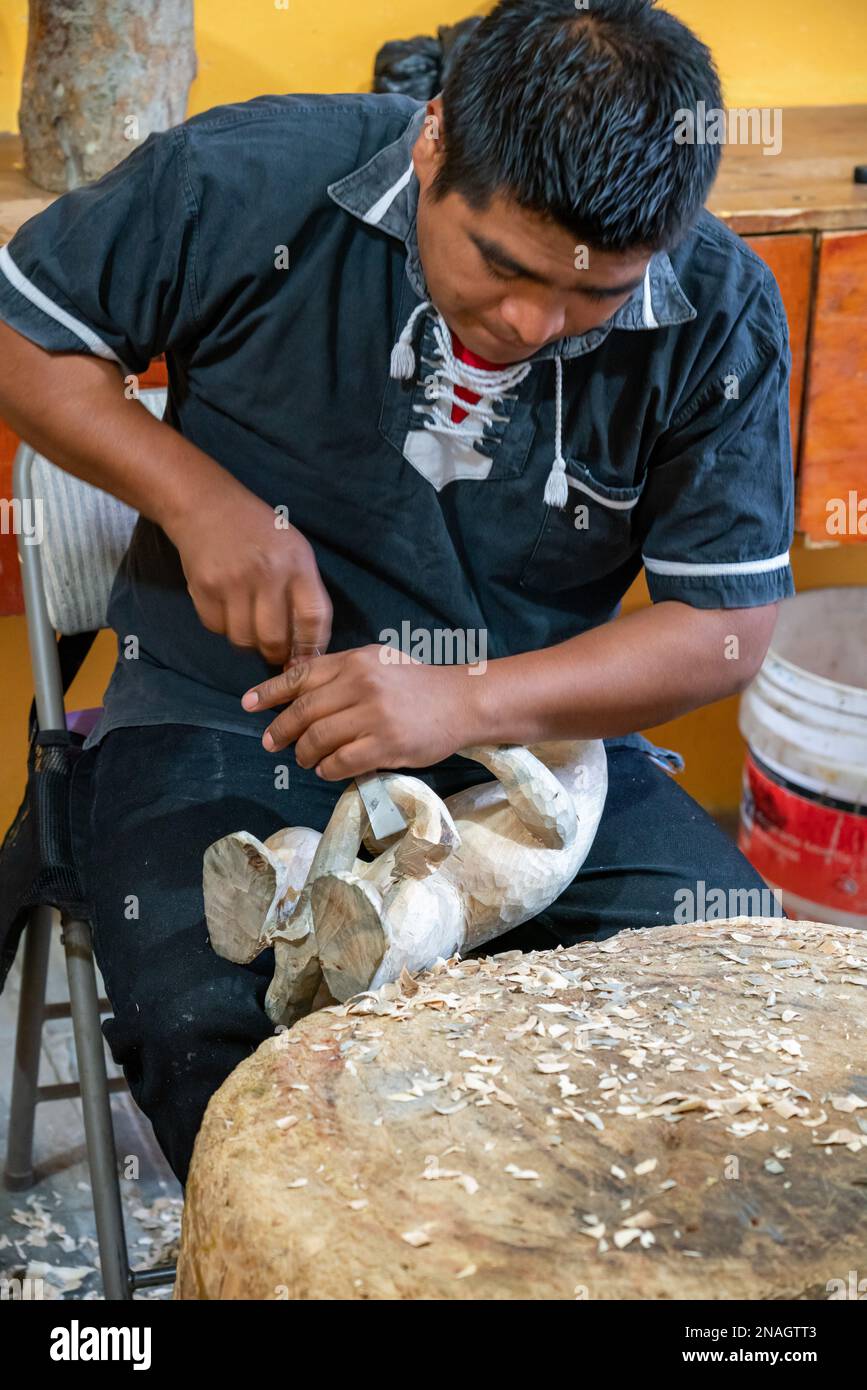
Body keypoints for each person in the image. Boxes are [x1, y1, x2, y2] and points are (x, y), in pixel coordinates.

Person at [0, 0, 794, 1183]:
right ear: (432, 144)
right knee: (221, 1028)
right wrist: (196, 498)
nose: (532, 323)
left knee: (734, 991)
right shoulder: (248, 177)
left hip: (531, 737)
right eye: (503, 264)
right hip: (236, 707)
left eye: (594, 295)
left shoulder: (719, 305)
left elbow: (727, 633)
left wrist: (465, 704)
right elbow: (24, 334)